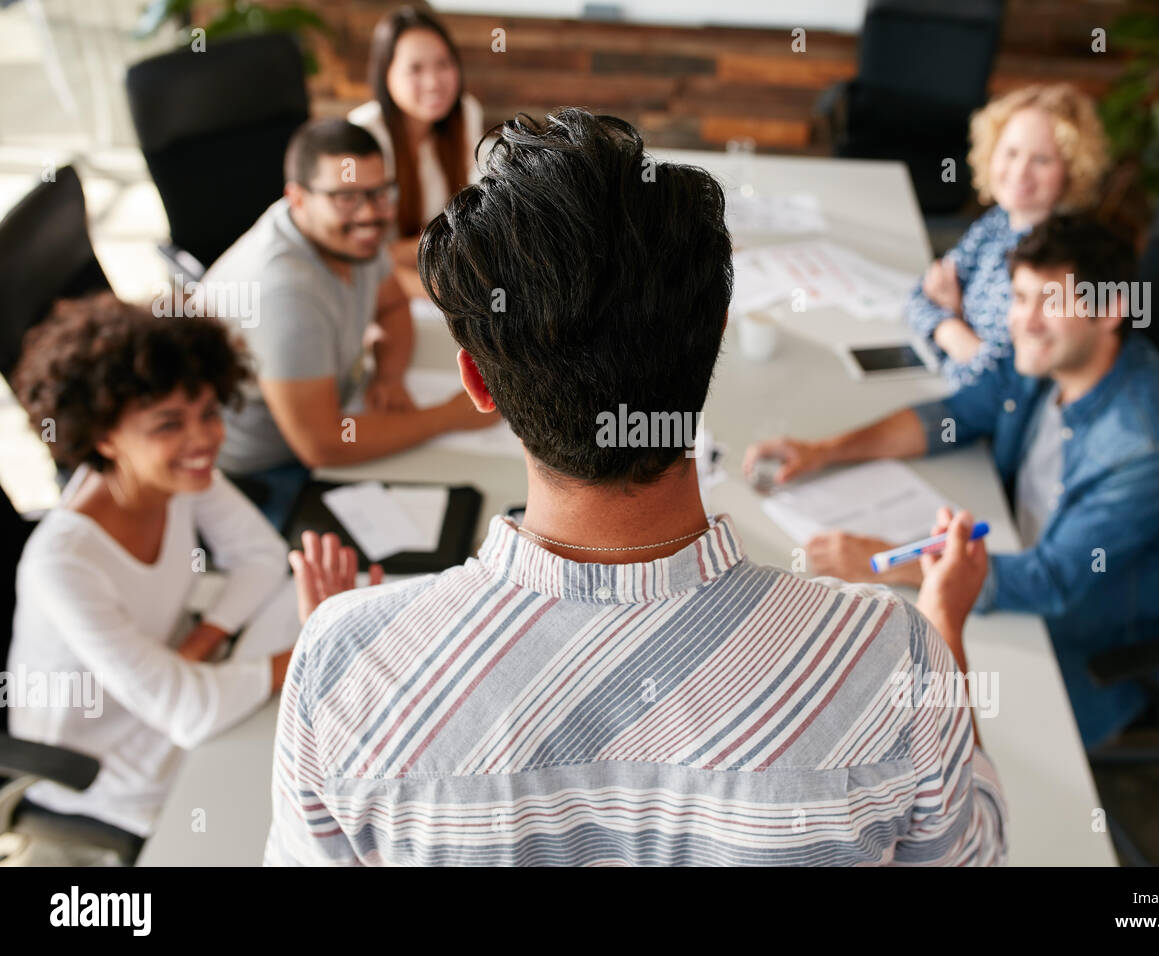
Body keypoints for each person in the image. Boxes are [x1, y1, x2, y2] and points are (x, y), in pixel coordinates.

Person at [264, 109, 1007, 867]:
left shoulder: (342, 660)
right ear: (716, 333)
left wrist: (364, 654)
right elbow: (971, 856)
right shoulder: (889, 654)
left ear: (477, 381)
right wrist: (943, 630)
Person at [746, 215, 1159, 749]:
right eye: (1019, 297)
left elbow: (1053, 581)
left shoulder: (1148, 448)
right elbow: (955, 415)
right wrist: (821, 451)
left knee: (879, 717)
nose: (1023, 322)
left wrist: (883, 560)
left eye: (1050, 303)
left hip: (1082, 651)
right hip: (1010, 561)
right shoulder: (1045, 357)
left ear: (1109, 311)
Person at [7, 294, 292, 840]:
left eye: (209, 412)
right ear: (104, 436)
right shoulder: (63, 564)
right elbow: (188, 712)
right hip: (111, 761)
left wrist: (203, 640)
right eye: (168, 424)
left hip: (173, 682)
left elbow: (262, 557)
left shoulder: (173, 474)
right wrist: (292, 661)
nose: (203, 439)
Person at [201, 118, 495, 528]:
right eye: (346, 197)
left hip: (334, 408)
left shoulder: (349, 234)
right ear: (298, 199)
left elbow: (392, 305)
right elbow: (322, 445)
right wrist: (451, 415)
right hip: (267, 473)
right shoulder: (283, 294)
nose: (371, 215)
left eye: (380, 192)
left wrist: (390, 377)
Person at [906, 84, 1109, 387]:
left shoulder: (1054, 261)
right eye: (1011, 152)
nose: (1020, 171)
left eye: (1041, 160)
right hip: (939, 374)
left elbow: (1005, 382)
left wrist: (950, 322)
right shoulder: (998, 222)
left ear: (1071, 171)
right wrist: (956, 327)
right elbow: (919, 296)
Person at [349, 5, 484, 299]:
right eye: (416, 69)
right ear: (387, 74)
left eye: (443, 64)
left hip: (438, 270)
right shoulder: (364, 135)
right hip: (384, 284)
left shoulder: (466, 113)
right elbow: (359, 257)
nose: (434, 82)